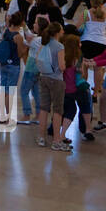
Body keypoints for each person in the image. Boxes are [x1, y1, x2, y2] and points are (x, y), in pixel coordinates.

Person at [35, 23, 70, 152]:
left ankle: (41, 138)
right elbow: (61, 66)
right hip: (56, 80)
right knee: (57, 110)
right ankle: (56, 141)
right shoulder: (59, 46)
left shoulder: (44, 43)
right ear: (57, 33)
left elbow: (37, 58)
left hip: (43, 77)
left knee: (44, 108)